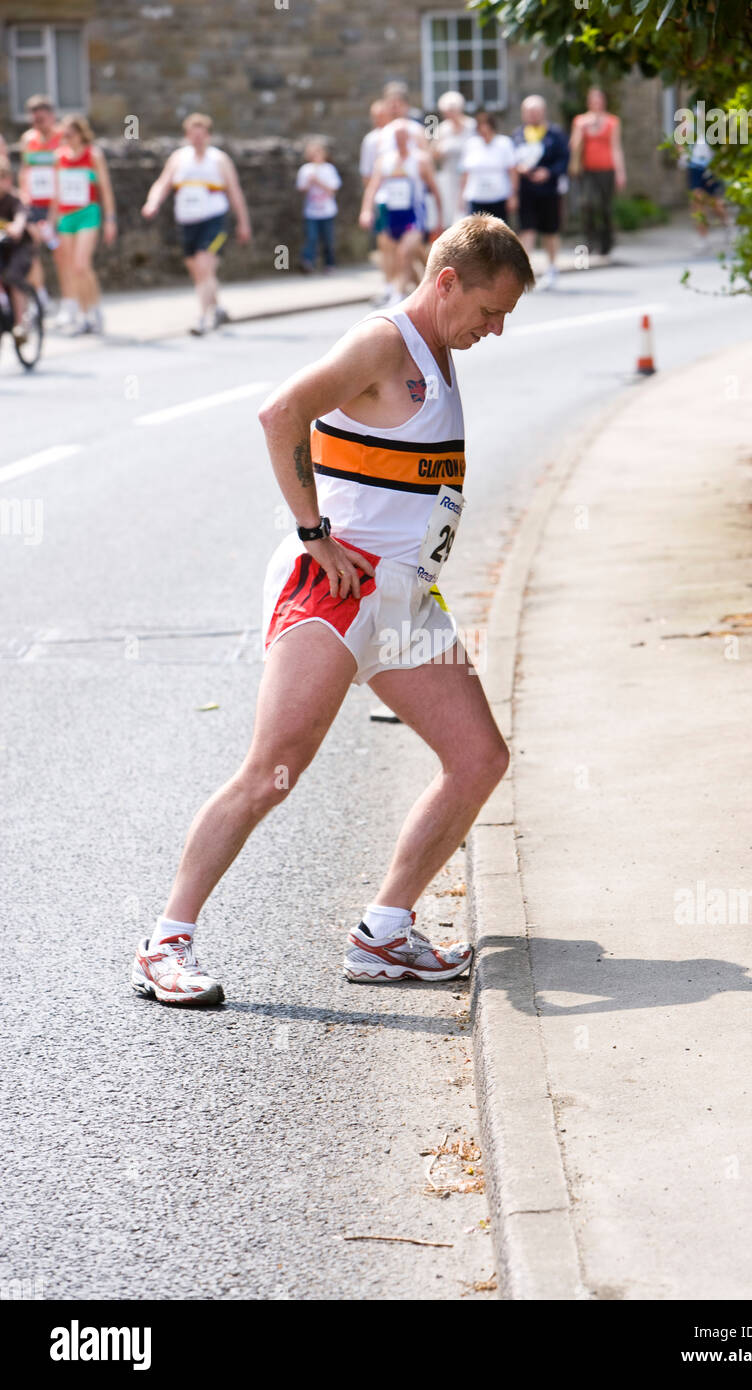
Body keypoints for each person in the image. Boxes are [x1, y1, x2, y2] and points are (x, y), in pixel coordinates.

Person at [130, 213, 535, 1005]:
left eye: (505, 319)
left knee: (480, 758)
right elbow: (281, 413)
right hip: (337, 590)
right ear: (446, 281)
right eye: (490, 311)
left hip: (406, 600)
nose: (495, 330)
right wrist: (314, 533)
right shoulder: (384, 342)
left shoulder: (441, 351)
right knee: (271, 773)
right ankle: (164, 943)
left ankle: (384, 934)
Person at [141, 112, 251, 336]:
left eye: (201, 135)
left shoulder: (219, 160)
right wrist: (152, 202)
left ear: (208, 135)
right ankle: (218, 307)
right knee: (200, 271)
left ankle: (202, 318)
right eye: (193, 135)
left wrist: (243, 222)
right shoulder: (179, 158)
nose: (197, 139)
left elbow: (235, 192)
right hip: (187, 221)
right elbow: (162, 183)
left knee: (203, 265)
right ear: (187, 136)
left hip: (214, 220)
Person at [360, 121, 442, 301]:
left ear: (410, 138)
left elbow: (434, 190)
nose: (400, 140)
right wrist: (366, 210)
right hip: (391, 214)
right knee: (389, 253)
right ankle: (397, 287)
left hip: (413, 214)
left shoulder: (420, 159)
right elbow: (373, 187)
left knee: (405, 253)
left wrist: (439, 219)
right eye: (397, 137)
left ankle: (398, 295)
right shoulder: (385, 161)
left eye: (404, 136)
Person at [49, 114, 116, 335]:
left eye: (71, 133)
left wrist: (110, 220)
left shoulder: (93, 155)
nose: (67, 138)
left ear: (80, 133)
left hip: (88, 212)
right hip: (66, 216)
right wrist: (51, 221)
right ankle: (84, 314)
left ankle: (94, 310)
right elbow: (57, 193)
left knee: (81, 265)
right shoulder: (59, 157)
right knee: (70, 268)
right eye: (64, 134)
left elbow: (104, 189)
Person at [512, 95, 569, 290]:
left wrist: (549, 172)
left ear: (543, 112)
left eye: (535, 111)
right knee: (526, 229)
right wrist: (519, 168)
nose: (532, 115)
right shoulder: (518, 134)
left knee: (549, 231)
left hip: (549, 191)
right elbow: (511, 160)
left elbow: (564, 160)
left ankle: (552, 268)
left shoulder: (555, 134)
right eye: (528, 112)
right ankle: (524, 273)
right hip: (526, 190)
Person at [18, 94, 65, 320]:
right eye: (35, 120)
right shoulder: (28, 139)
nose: (38, 124)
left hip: (58, 206)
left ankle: (69, 302)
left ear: (52, 117)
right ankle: (41, 298)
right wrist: (24, 196)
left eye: (42, 119)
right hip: (34, 205)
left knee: (61, 254)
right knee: (31, 253)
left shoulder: (63, 137)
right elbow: (25, 170)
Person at [569, 87, 626, 260]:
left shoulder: (612, 121)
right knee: (587, 204)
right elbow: (573, 145)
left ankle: (606, 242)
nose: (596, 103)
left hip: (607, 169)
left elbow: (616, 147)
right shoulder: (580, 121)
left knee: (605, 207)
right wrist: (581, 130)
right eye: (593, 100)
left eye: (599, 100)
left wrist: (620, 172)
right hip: (587, 170)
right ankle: (589, 240)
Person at [0, 157, 36, 342]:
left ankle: (20, 324)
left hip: (19, 249)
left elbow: (21, 215)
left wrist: (16, 226)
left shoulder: (15, 200)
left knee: (13, 277)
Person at [459, 111, 518, 221]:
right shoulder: (471, 144)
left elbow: (512, 170)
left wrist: (513, 195)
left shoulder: (504, 143)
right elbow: (465, 172)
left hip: (499, 197)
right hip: (476, 196)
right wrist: (461, 197)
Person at [297, 139, 341, 274]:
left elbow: (333, 190)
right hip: (311, 211)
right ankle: (307, 262)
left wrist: (318, 181)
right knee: (311, 237)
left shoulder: (329, 169)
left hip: (327, 211)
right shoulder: (305, 170)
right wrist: (309, 182)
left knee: (328, 239)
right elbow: (301, 189)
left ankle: (329, 264)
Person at [432, 91, 476, 226]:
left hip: (471, 177)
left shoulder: (472, 126)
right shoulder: (442, 129)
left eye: (451, 111)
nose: (449, 115)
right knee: (451, 214)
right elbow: (433, 154)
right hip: (450, 176)